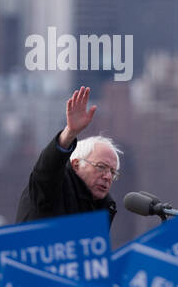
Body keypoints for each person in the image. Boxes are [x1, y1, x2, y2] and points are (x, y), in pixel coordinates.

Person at [15, 85, 121, 229]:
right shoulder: (53, 188)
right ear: (76, 164)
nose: (108, 177)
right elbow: (46, 171)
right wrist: (70, 133)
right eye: (101, 167)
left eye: (112, 172)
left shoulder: (104, 207)